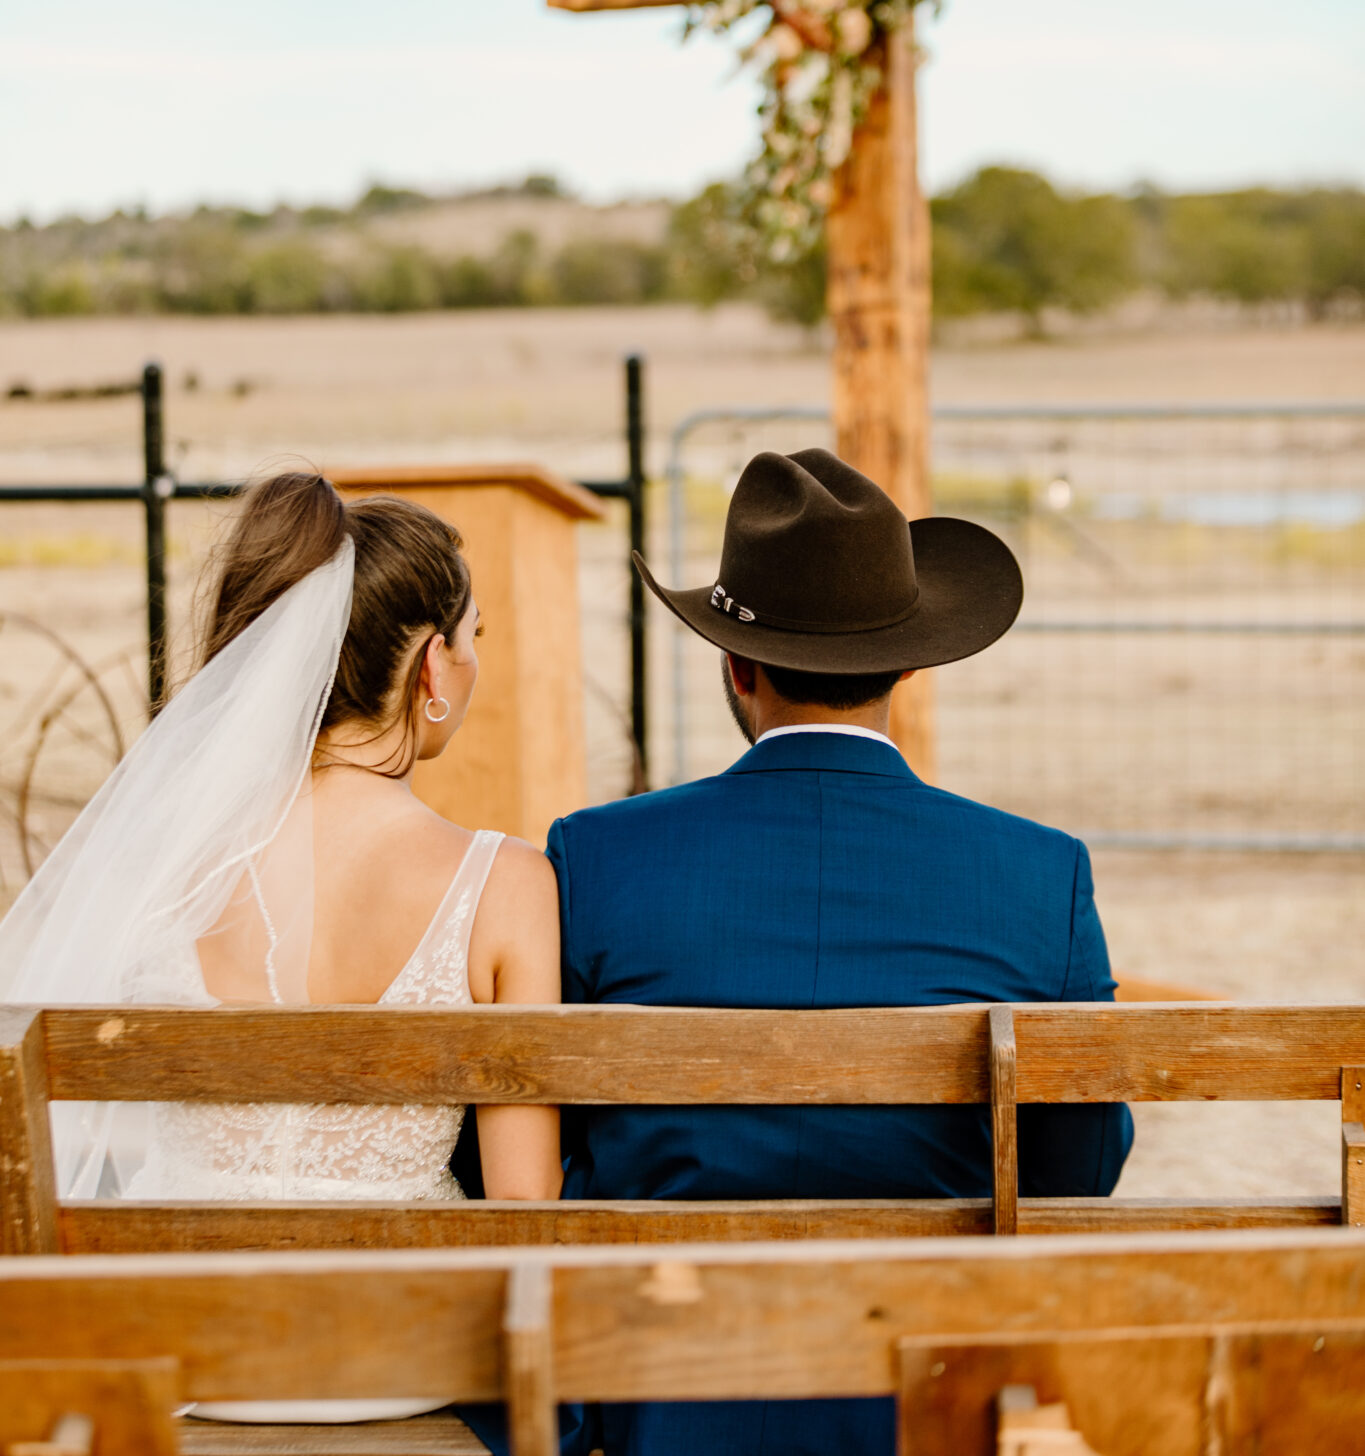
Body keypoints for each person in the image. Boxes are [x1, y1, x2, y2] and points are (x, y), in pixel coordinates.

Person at [547, 448, 1133, 1456]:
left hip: (660, 1387)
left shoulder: (598, 854)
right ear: (911, 661)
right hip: (931, 1383)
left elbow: (547, 1135)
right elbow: (1079, 1163)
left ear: (735, 665)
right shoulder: (1043, 872)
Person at [0, 471, 561, 1427]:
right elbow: (524, 1203)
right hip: (399, 1357)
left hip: (178, 1350)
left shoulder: (158, 868)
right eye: (474, 645)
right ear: (431, 668)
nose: (473, 668)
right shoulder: (505, 884)